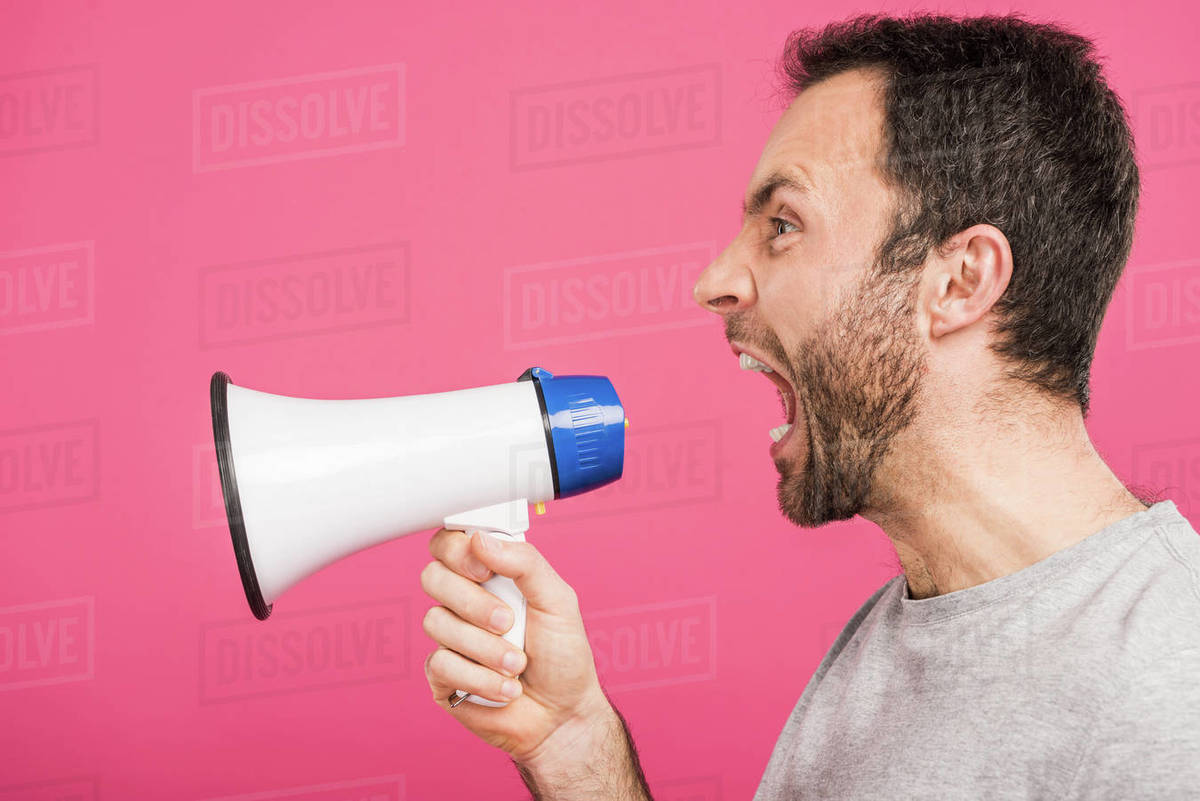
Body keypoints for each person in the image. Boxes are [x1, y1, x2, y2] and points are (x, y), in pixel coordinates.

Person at [418, 12, 1200, 800]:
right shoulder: (888, 648)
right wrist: (573, 744)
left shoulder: (1173, 687)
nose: (715, 279)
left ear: (961, 281)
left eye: (783, 224)